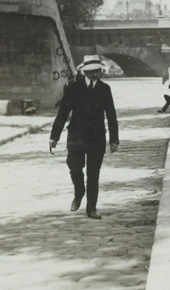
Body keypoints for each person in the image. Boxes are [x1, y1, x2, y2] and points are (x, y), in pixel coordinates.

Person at [49, 55, 119, 220]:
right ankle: (79, 190)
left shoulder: (105, 89)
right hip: (76, 135)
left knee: (93, 174)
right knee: (74, 166)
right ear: (85, 72)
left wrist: (114, 140)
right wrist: (54, 136)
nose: (95, 74)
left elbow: (111, 116)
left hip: (97, 137)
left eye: (97, 71)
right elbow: (63, 113)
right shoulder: (74, 88)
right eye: (91, 71)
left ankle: (91, 208)